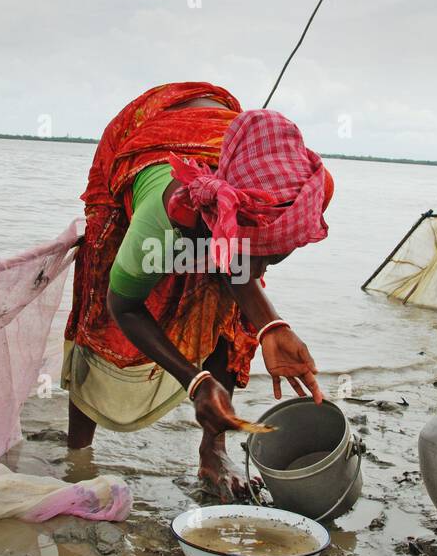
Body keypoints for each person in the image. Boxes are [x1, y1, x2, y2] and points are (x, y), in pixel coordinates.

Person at [62, 82, 334, 502]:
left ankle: (213, 449)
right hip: (134, 141)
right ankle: (77, 452)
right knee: (101, 312)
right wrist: (194, 380)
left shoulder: (305, 191)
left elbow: (238, 265)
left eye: (273, 258)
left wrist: (271, 326)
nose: (257, 269)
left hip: (221, 140)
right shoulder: (167, 212)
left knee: (227, 315)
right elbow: (124, 303)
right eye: (254, 255)